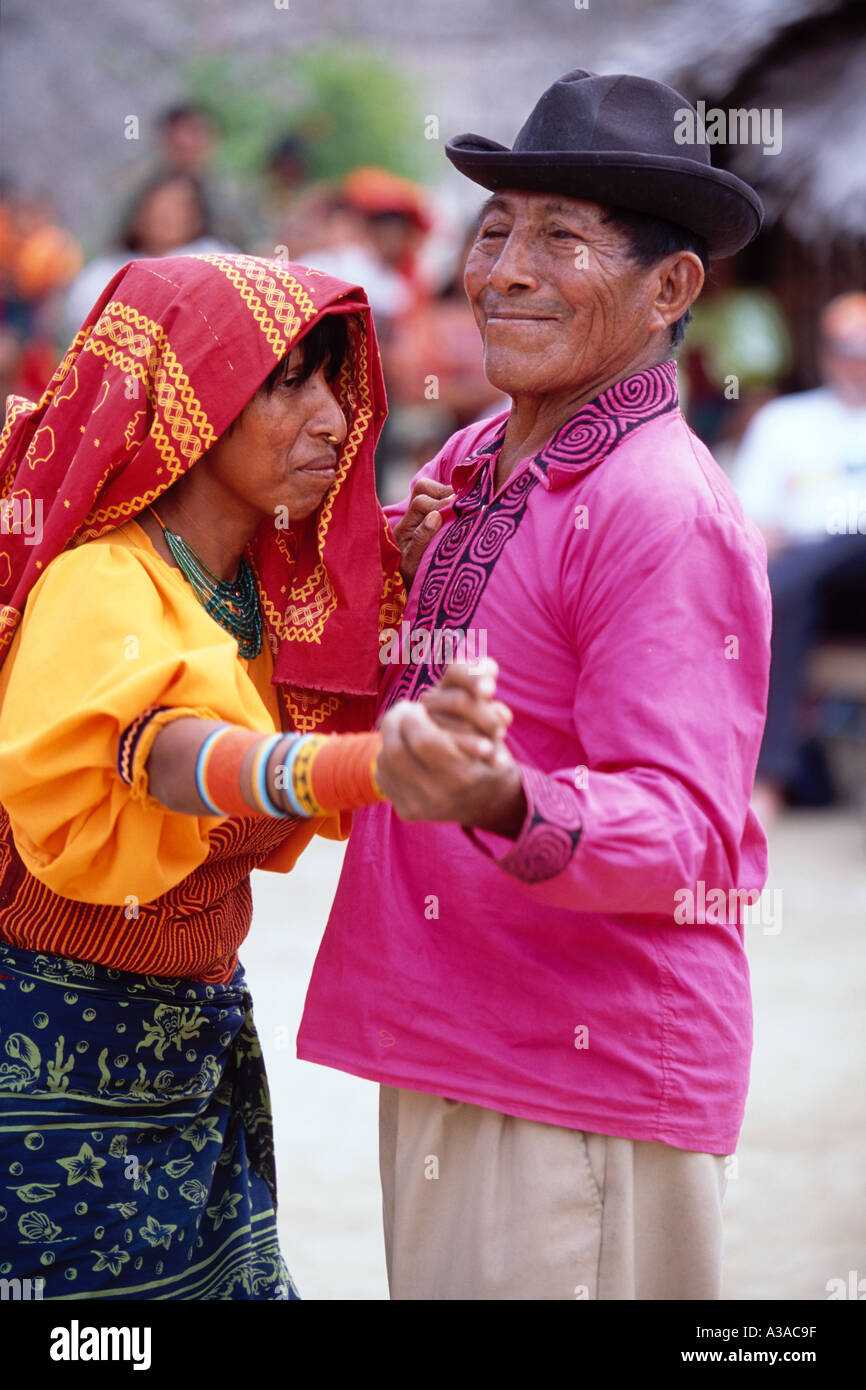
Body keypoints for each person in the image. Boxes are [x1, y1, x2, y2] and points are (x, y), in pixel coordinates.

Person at [297, 70, 773, 1300]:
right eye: (495, 229)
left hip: (580, 1072)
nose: (502, 268)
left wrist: (508, 797)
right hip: (463, 1032)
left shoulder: (658, 509)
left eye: (558, 237)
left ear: (669, 288)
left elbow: (680, 830)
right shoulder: (478, 458)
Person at [0, 252, 504, 1300]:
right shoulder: (108, 579)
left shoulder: (261, 598)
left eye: (335, 384)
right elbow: (167, 754)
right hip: (58, 1052)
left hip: (195, 1035)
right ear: (189, 405)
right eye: (287, 382)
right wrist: (363, 767)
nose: (331, 419)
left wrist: (413, 573)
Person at [731, 292, 866, 824]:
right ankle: (768, 780)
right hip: (811, 582)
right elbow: (752, 526)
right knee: (782, 585)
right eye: (848, 351)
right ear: (828, 354)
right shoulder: (786, 421)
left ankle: (769, 781)